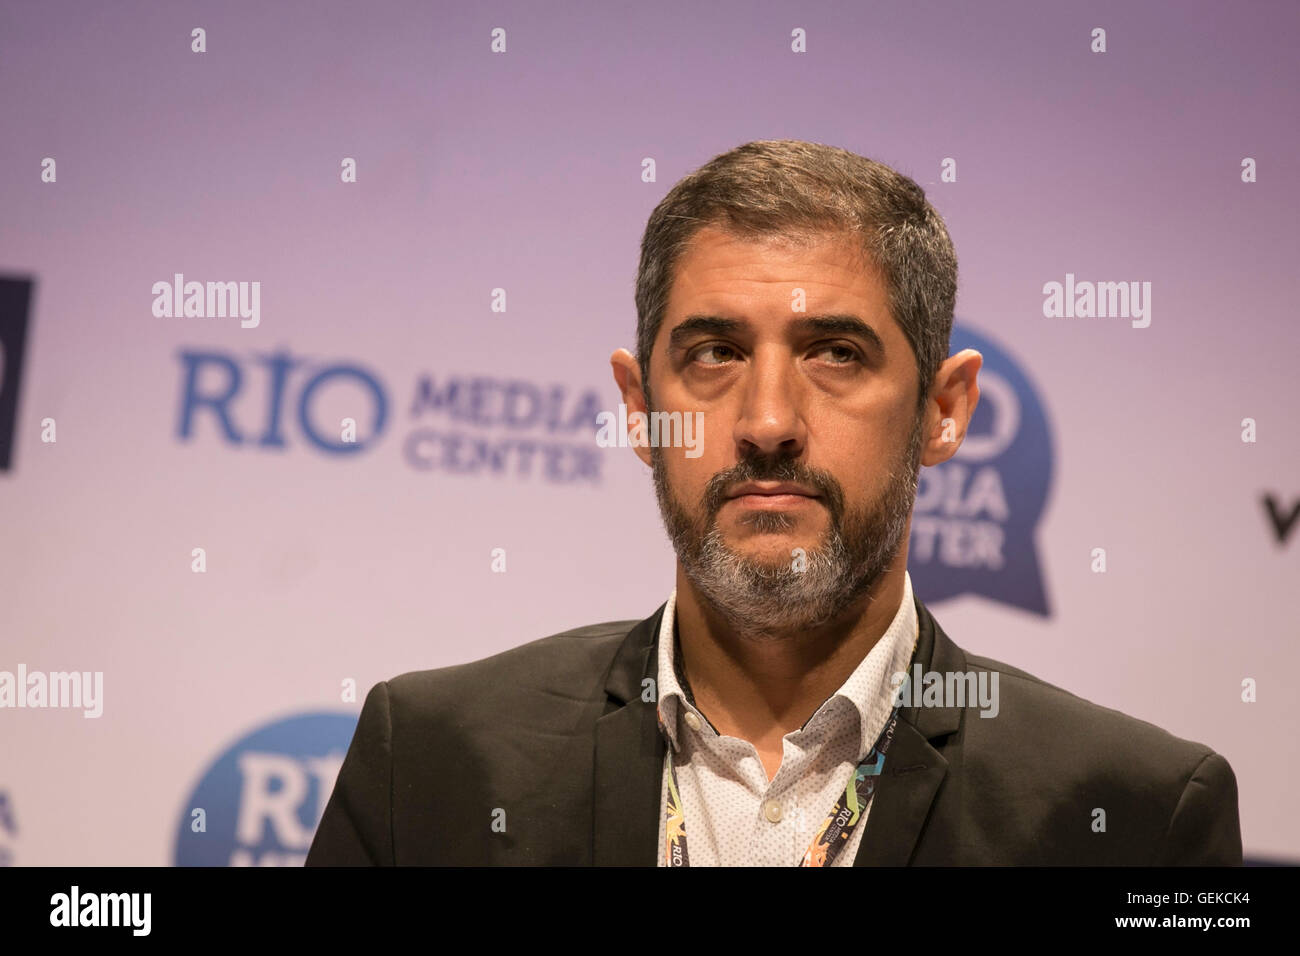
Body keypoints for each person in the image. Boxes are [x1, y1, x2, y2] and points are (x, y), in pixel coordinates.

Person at [305, 140, 1242, 866]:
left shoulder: (1136, 814)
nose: (766, 422)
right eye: (713, 353)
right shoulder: (429, 761)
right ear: (640, 410)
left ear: (943, 412)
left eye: (836, 352)